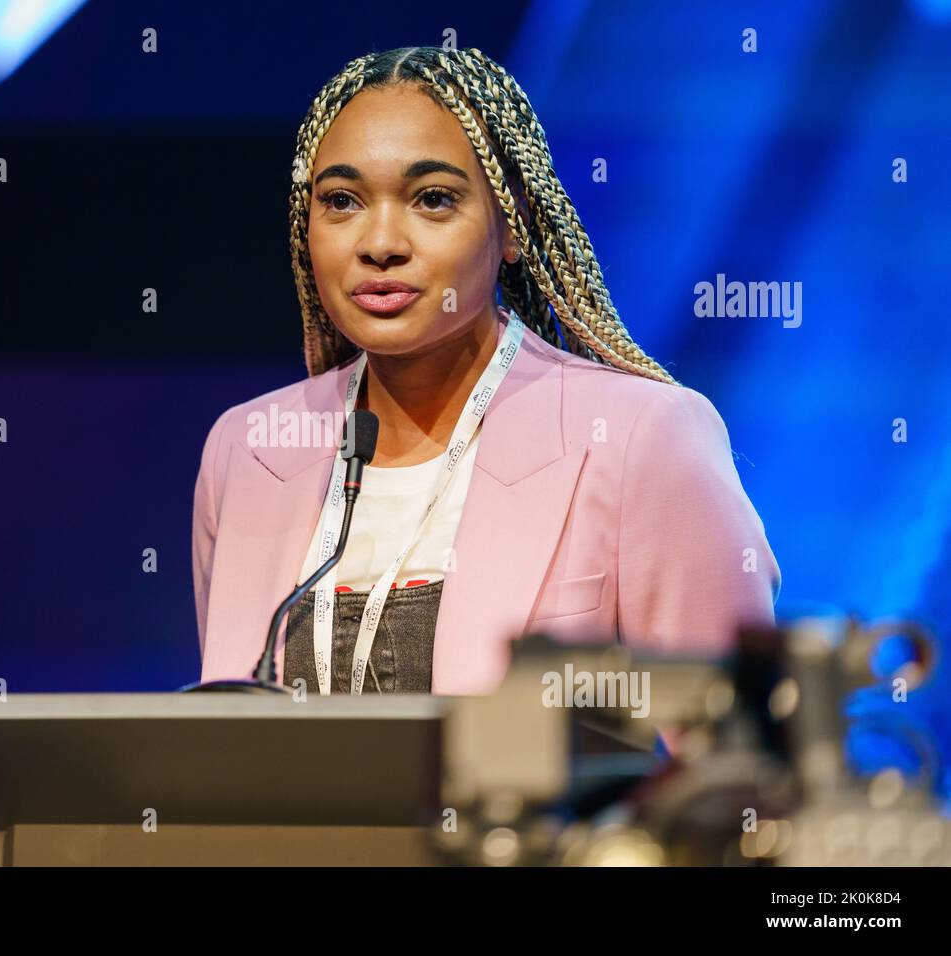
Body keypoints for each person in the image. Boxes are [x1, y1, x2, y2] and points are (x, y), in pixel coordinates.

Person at [192, 46, 780, 696]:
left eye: (433, 198)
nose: (380, 243)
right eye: (342, 201)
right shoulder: (248, 450)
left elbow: (731, 763)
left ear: (515, 225)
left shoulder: (642, 438)